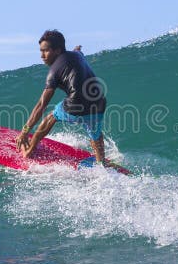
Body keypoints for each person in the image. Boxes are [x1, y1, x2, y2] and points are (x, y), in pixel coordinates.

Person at [15, 29, 109, 166]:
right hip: (98, 104)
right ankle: (101, 164)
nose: (42, 56)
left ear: (58, 51)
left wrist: (24, 131)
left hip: (75, 106)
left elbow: (41, 105)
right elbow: (77, 51)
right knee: (95, 133)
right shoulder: (77, 55)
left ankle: (29, 150)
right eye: (40, 51)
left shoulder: (53, 72)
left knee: (51, 116)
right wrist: (77, 49)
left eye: (45, 51)